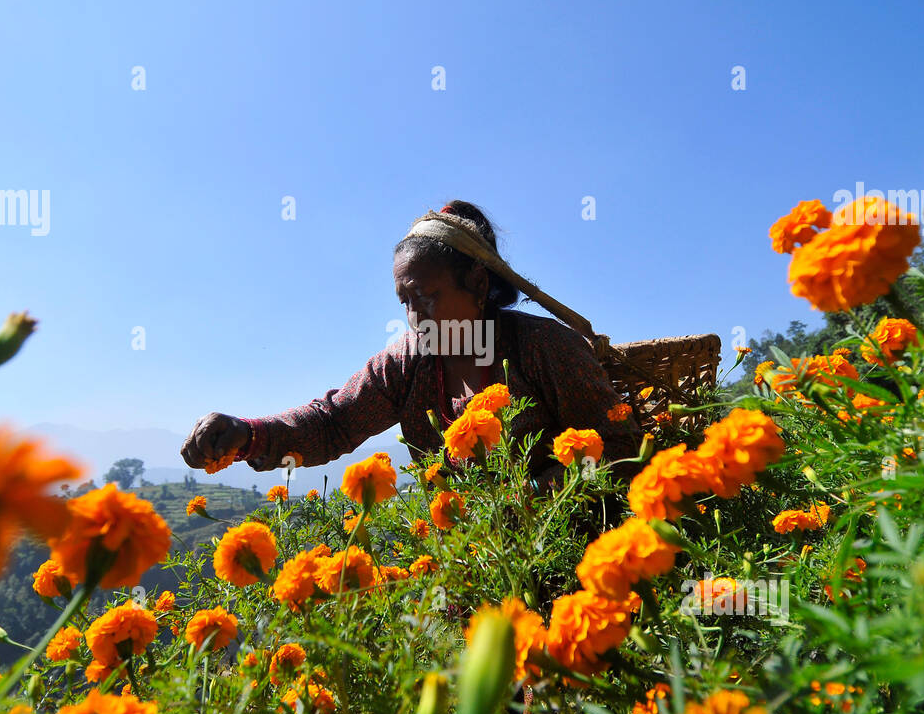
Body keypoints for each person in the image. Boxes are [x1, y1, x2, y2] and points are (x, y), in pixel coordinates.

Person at [180, 201, 643, 495]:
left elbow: (618, 444)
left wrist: (537, 494)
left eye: (427, 296)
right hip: (474, 566)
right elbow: (334, 422)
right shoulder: (406, 364)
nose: (414, 315)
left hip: (571, 560)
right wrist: (248, 432)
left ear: (478, 284)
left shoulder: (543, 348)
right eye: (405, 301)